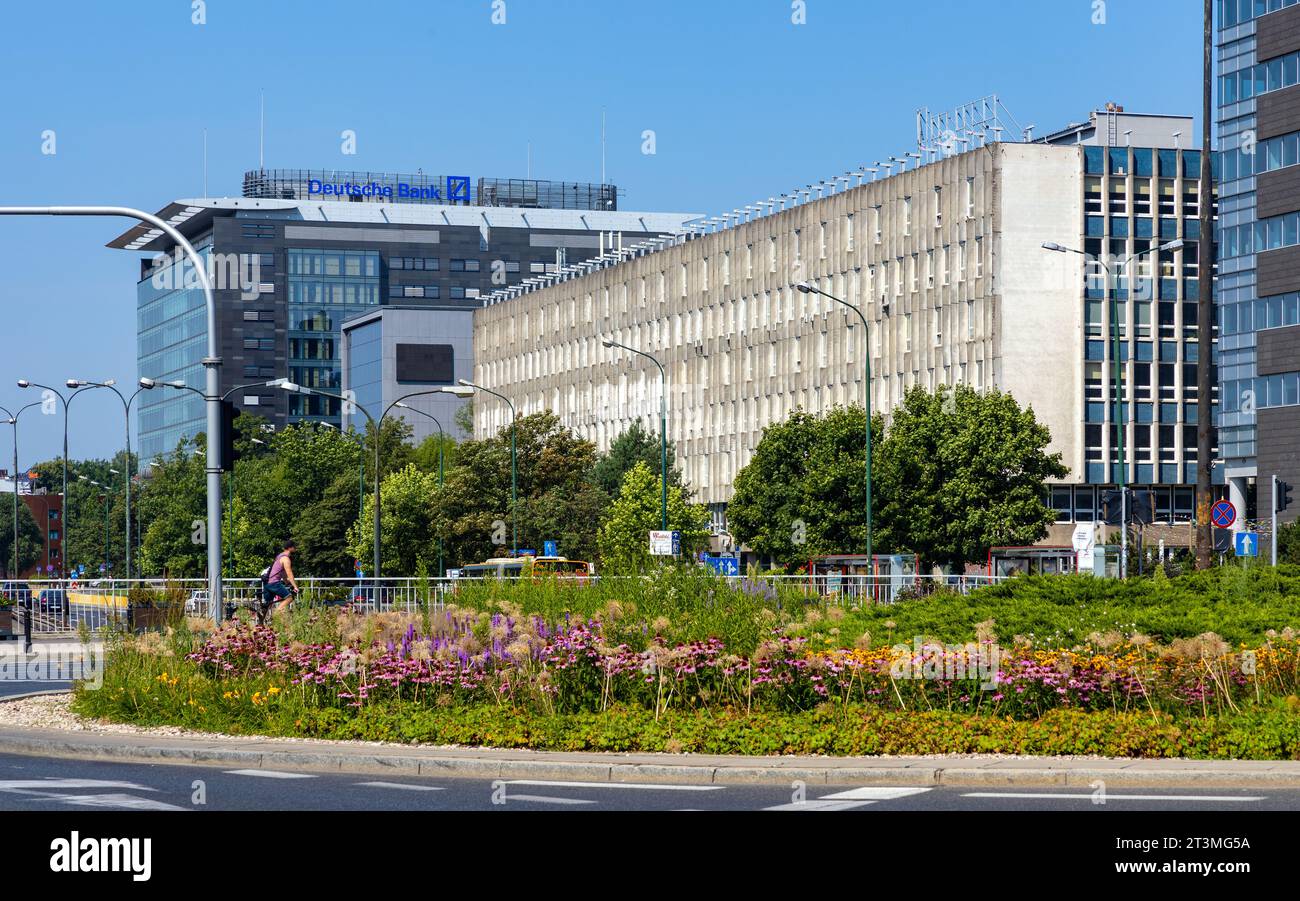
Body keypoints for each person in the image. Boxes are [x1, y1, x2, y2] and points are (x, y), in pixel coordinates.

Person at [261, 540, 300, 622]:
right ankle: (276, 614)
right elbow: (289, 573)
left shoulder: (279, 556)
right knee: (289, 598)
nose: (296, 548)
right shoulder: (286, 559)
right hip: (274, 583)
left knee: (268, 604)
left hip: (267, 583)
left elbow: (282, 573)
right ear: (290, 548)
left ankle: (261, 623)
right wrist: (295, 586)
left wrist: (287, 583)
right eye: (294, 546)